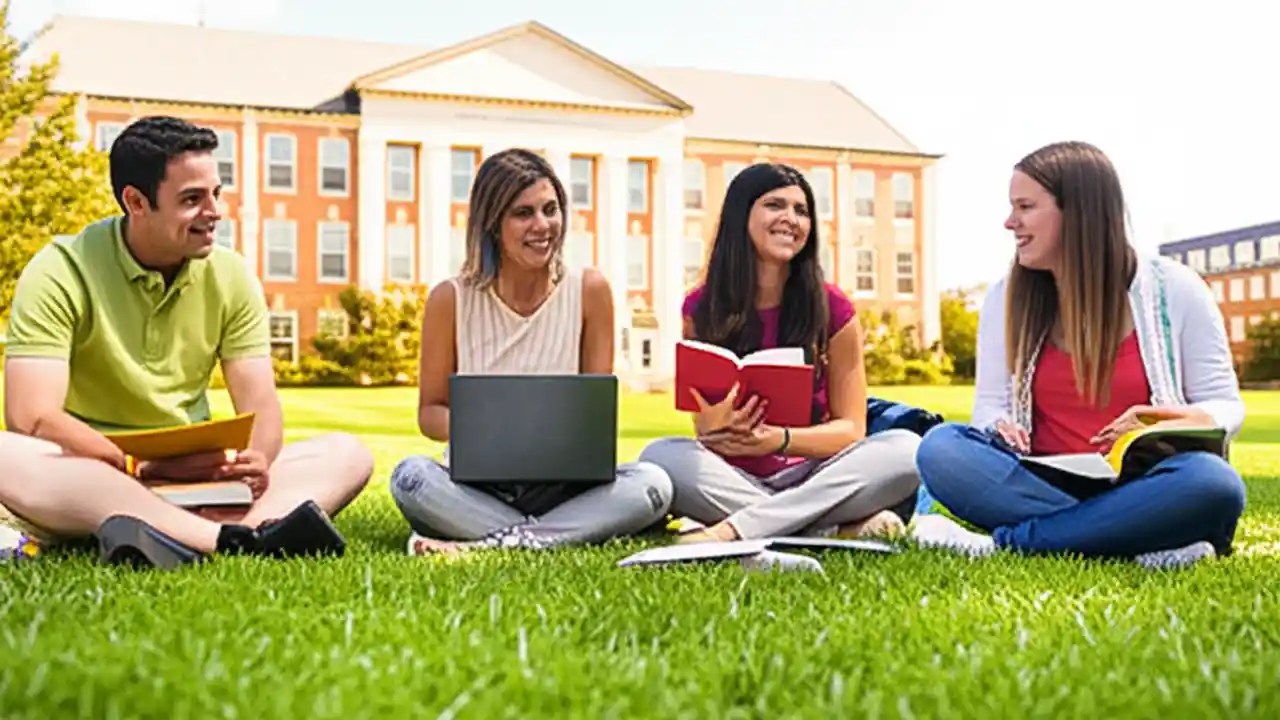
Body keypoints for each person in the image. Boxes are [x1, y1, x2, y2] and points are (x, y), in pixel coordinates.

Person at [0, 116, 374, 568]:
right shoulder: (61, 269)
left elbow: (262, 405)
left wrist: (256, 460)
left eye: (216, 193)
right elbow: (29, 415)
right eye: (192, 199)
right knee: (7, 453)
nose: (214, 211)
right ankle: (236, 539)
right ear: (136, 202)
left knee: (346, 454)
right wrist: (135, 465)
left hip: (197, 479)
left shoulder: (231, 275)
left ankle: (179, 532)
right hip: (93, 469)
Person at [910, 141, 1247, 569]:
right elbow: (990, 404)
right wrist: (999, 426)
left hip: (1148, 481)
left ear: (1078, 211)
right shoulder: (1004, 297)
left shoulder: (1175, 289)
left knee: (1213, 483)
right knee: (941, 448)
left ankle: (1006, 543)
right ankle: (1138, 537)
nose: (1009, 222)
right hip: (1044, 480)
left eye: (1025, 206)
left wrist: (1177, 419)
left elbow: (1225, 404)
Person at [388, 148, 673, 556]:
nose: (543, 226)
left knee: (653, 484)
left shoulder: (589, 290)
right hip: (477, 486)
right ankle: (553, 537)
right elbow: (431, 413)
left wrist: (555, 441)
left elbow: (593, 418)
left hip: (564, 489)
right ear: (492, 224)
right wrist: (497, 436)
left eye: (550, 209)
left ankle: (492, 544)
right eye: (523, 213)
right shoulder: (450, 299)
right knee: (410, 478)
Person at [638, 163, 922, 543]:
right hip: (734, 477)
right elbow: (704, 429)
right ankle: (826, 530)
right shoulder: (701, 308)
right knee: (660, 456)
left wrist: (779, 439)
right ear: (742, 215)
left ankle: (733, 530)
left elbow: (851, 430)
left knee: (907, 450)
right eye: (775, 205)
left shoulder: (832, 307)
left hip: (818, 472)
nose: (791, 219)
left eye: (801, 210)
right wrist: (723, 424)